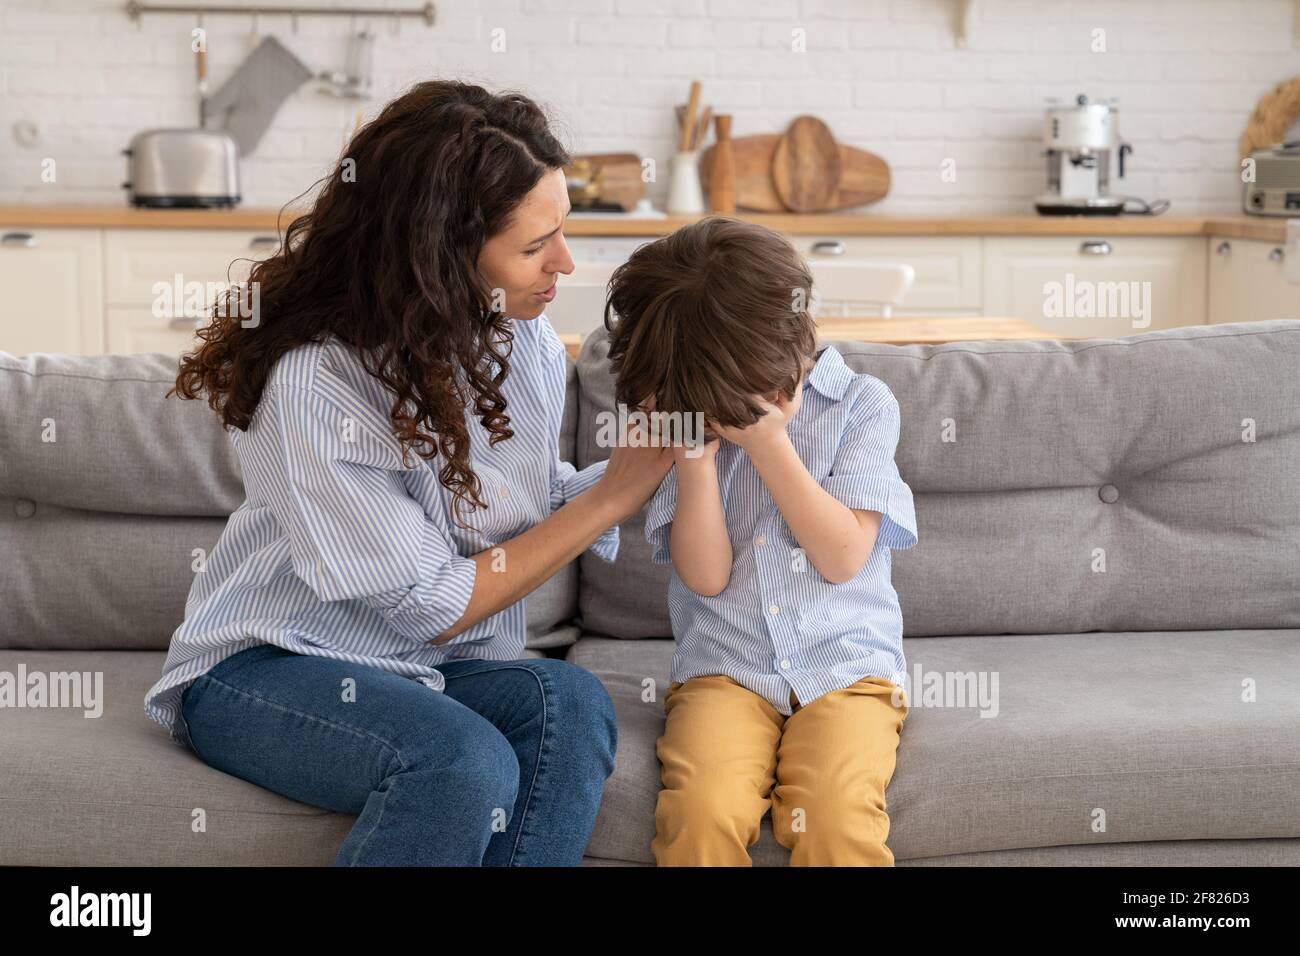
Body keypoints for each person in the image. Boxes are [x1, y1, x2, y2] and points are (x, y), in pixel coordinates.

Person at [143, 80, 672, 866]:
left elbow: (527, 499)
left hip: (425, 672)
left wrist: (663, 462)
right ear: (440, 258)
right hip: (272, 667)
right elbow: (432, 603)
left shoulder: (515, 336)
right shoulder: (318, 382)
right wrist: (612, 498)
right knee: (463, 765)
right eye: (535, 246)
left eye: (563, 230)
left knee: (568, 701)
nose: (564, 263)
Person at [602, 217, 919, 865]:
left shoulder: (861, 404)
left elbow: (842, 558)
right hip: (725, 671)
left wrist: (769, 443)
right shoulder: (689, 413)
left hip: (847, 670)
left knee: (835, 818)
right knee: (700, 814)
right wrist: (695, 459)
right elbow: (706, 578)